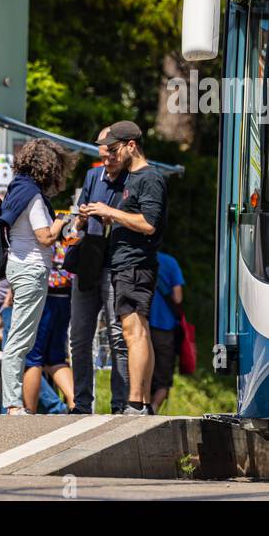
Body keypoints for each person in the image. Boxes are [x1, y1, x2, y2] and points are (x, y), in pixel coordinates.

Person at [80, 121, 166, 416]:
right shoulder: (132, 178)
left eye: (115, 149)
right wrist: (110, 218)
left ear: (132, 145)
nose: (111, 156)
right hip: (126, 264)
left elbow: (149, 223)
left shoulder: (149, 177)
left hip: (135, 265)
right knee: (138, 331)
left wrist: (109, 211)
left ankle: (134, 403)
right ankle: (140, 401)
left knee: (133, 333)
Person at [0, 139, 74, 415]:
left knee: (22, 339)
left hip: (18, 267)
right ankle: (13, 403)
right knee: (20, 340)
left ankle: (14, 402)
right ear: (48, 167)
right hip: (31, 269)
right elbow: (44, 237)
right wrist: (62, 221)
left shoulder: (16, 189)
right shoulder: (33, 195)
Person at [69, 127, 130, 414]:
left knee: (118, 336)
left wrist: (110, 214)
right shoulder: (94, 175)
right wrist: (81, 217)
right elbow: (81, 215)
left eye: (110, 149)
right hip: (88, 260)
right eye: (101, 149)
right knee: (79, 336)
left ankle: (120, 405)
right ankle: (82, 403)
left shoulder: (135, 178)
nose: (105, 155)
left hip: (116, 263)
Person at [22, 230, 77, 413]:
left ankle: (28, 411)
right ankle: (75, 403)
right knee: (56, 359)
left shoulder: (44, 238)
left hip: (44, 298)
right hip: (66, 299)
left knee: (32, 358)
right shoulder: (70, 239)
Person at [149, 251, 185, 414]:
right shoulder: (170, 262)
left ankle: (140, 405)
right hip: (165, 327)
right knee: (163, 377)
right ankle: (154, 408)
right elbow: (177, 298)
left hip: (141, 325)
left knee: (144, 369)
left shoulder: (139, 258)